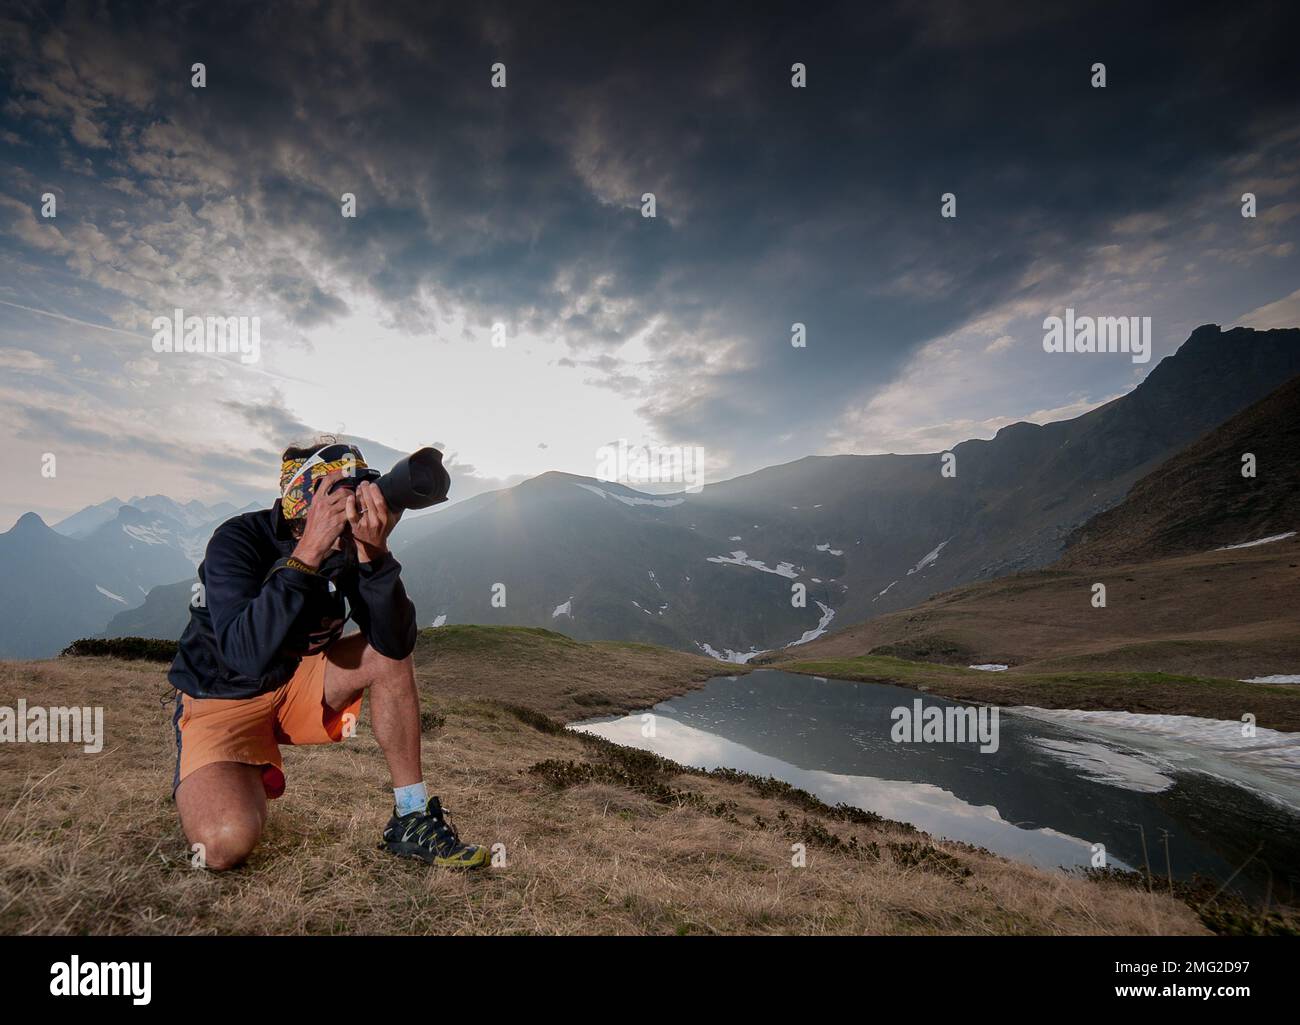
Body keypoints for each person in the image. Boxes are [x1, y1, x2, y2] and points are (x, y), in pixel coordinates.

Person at [167, 437, 487, 870]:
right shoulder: (239, 540)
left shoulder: (351, 546)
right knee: (224, 846)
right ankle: (225, 773)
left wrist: (375, 557)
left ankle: (411, 817)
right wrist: (308, 554)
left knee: (383, 655)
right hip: (220, 701)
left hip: (296, 683)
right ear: (304, 500)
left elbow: (394, 645)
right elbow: (244, 655)